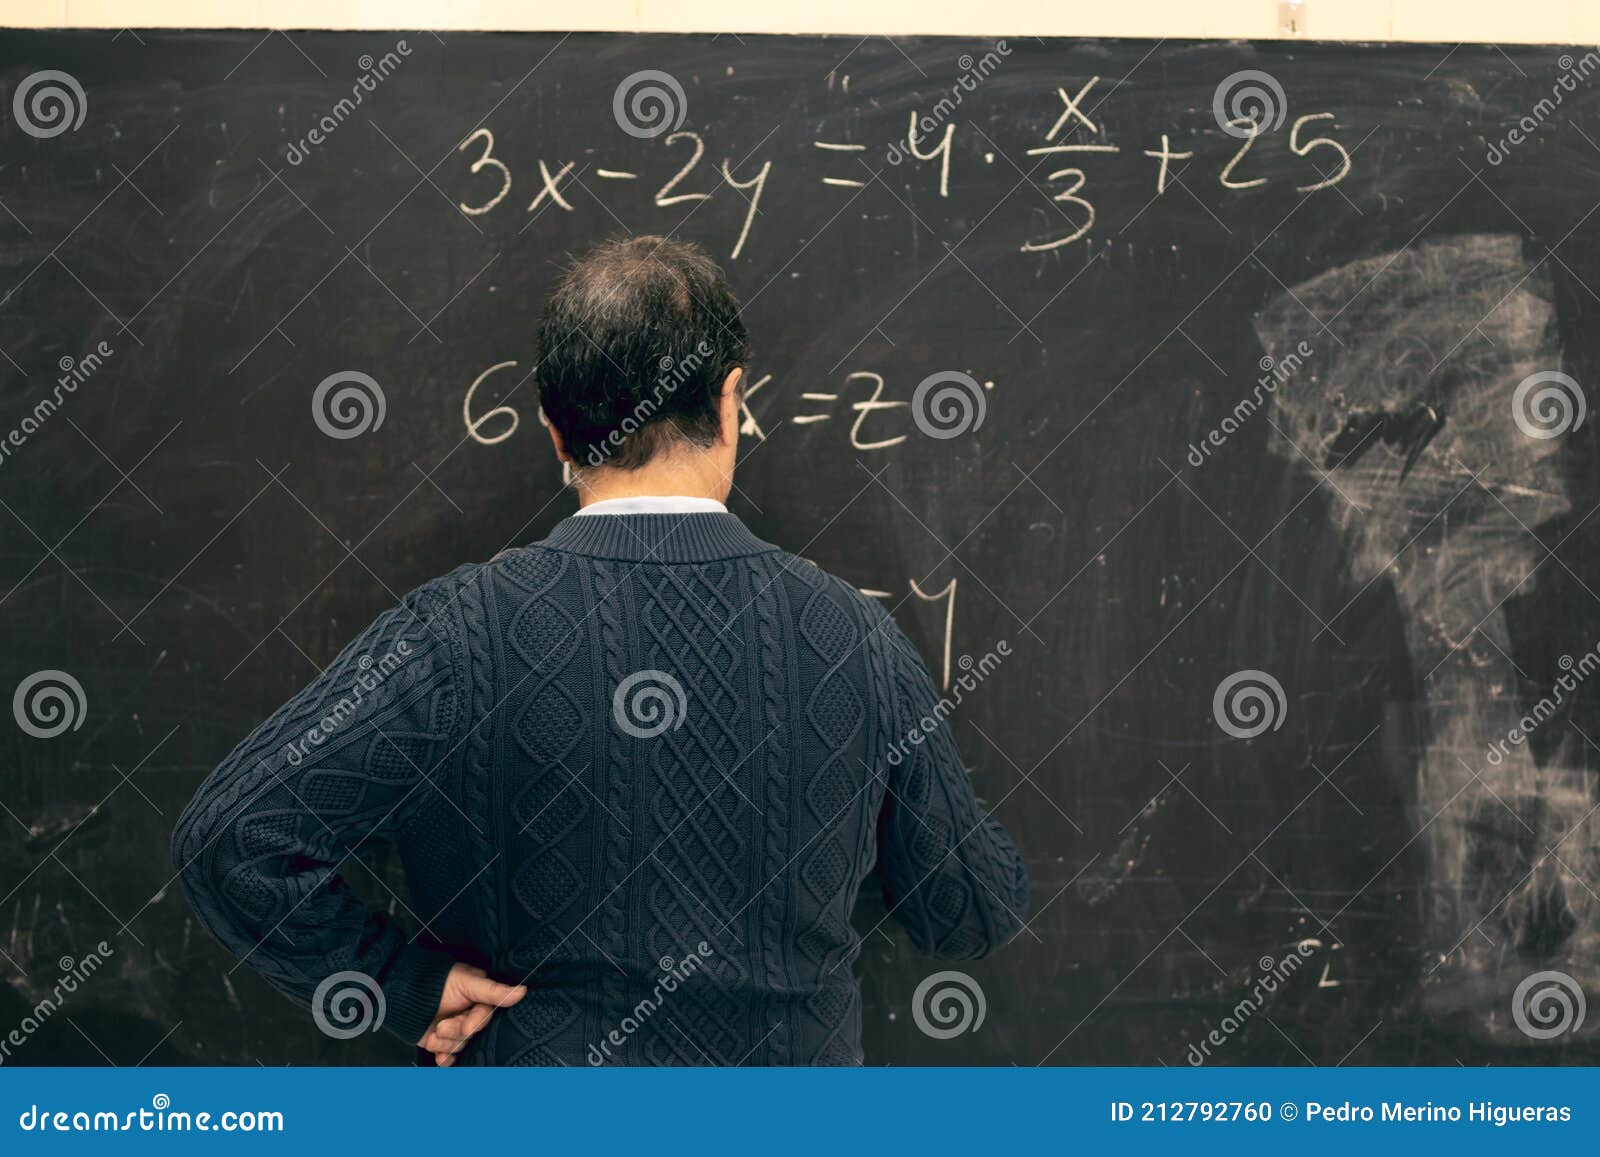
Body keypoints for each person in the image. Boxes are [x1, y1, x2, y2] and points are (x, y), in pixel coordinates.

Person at [171, 234, 1028, 1066]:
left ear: (555, 428)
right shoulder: (856, 638)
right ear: (730, 402)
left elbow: (232, 840)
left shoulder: (454, 636)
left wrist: (397, 982)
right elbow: (968, 910)